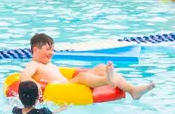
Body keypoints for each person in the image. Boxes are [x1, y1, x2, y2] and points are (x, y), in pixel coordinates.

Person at [20, 32, 153, 99]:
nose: (52, 53)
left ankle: (132, 90)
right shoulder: (34, 64)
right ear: (36, 50)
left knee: (100, 67)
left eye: (52, 49)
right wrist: (34, 84)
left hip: (68, 83)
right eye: (48, 49)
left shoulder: (49, 64)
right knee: (82, 76)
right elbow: (24, 76)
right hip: (62, 88)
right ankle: (107, 80)